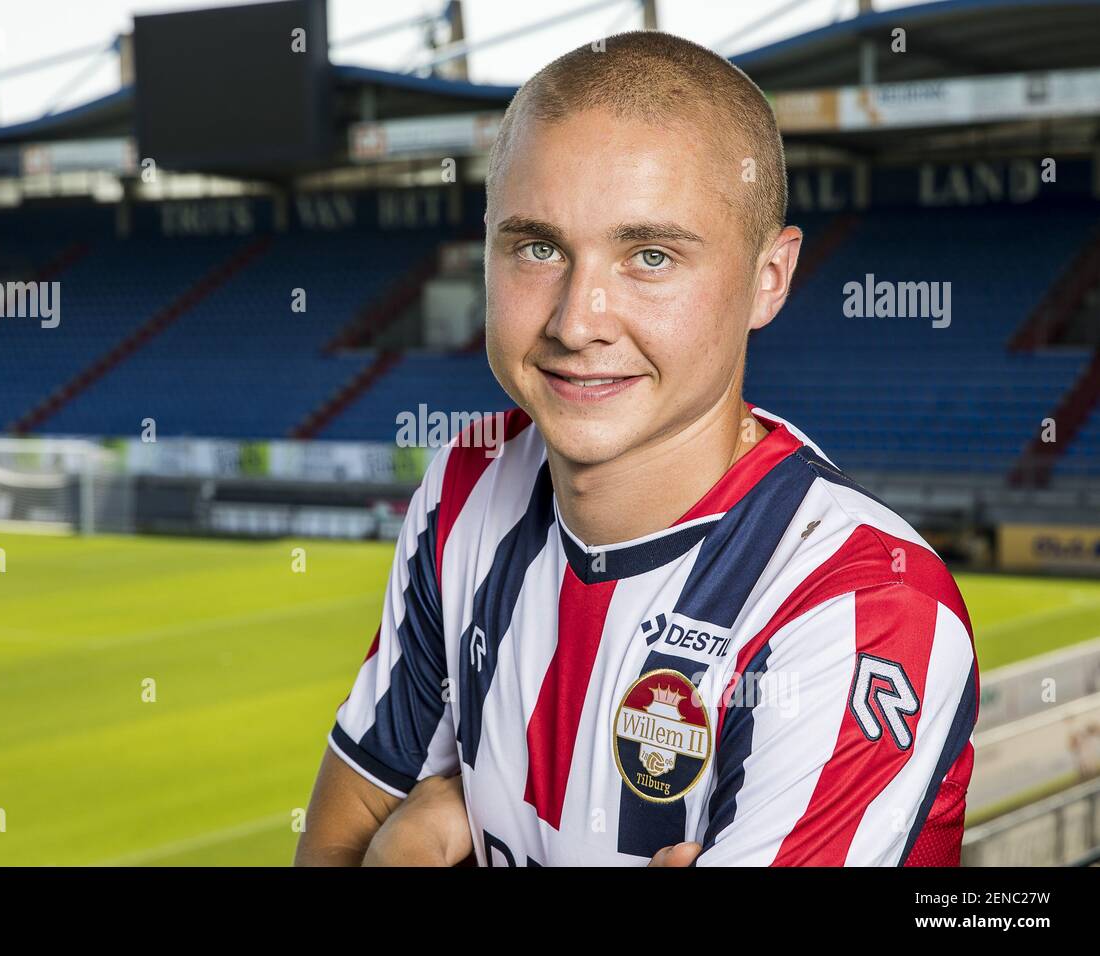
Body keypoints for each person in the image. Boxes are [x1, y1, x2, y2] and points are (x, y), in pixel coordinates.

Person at [295, 30, 978, 867]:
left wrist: (408, 848)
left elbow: (385, 836)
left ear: (770, 276)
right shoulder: (466, 484)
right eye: (537, 247)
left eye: (650, 256)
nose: (577, 321)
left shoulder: (863, 608)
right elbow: (350, 810)